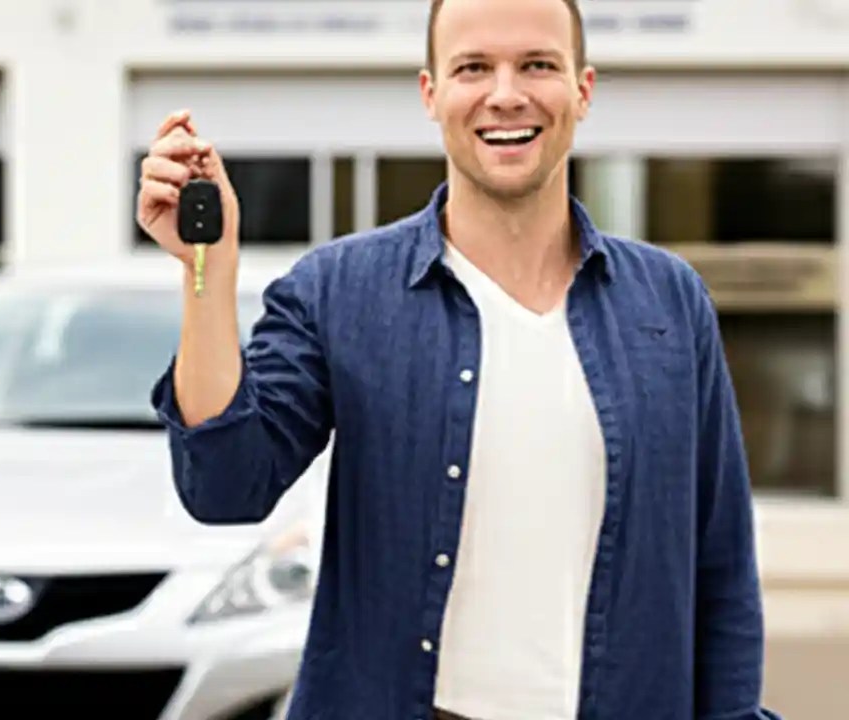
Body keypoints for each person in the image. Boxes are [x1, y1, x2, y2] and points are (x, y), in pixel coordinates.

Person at [136, 0, 782, 717]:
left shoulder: (669, 301)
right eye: (473, 67)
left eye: (537, 65)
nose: (506, 94)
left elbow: (721, 561)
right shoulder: (339, 292)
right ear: (431, 92)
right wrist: (206, 270)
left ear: (582, 90)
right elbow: (225, 487)